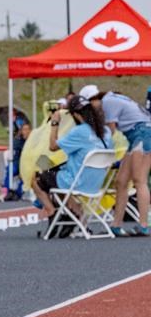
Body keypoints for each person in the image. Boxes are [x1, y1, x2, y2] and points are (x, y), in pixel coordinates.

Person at [31, 94, 113, 234]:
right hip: (97, 183)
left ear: (75, 115)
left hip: (77, 182)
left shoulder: (80, 131)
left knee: (37, 177)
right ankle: (74, 213)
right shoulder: (106, 131)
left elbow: (52, 146)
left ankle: (52, 213)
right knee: (56, 175)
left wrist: (55, 123)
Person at [79, 85, 151, 236]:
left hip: (144, 133)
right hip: (135, 135)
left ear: (94, 99)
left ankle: (144, 224)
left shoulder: (107, 102)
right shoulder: (111, 99)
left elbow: (109, 132)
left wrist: (96, 148)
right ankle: (116, 224)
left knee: (139, 179)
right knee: (121, 181)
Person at [0, 109, 31, 202]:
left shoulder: (32, 141)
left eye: (26, 130)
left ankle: (18, 193)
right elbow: (14, 149)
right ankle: (8, 191)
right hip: (17, 162)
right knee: (10, 169)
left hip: (26, 165)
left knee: (27, 174)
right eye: (23, 130)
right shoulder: (17, 141)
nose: (25, 132)